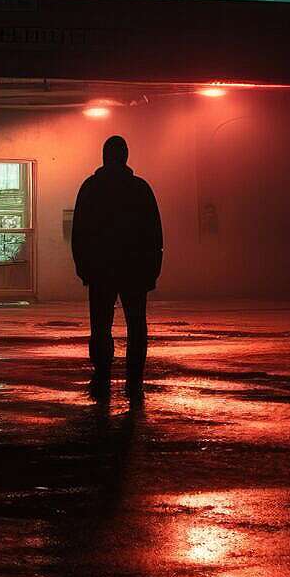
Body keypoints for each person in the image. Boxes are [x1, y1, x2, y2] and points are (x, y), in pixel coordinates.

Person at [71, 135, 162, 395]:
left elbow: (80, 232)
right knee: (136, 324)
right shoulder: (140, 189)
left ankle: (102, 373)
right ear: (126, 157)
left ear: (104, 157)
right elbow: (154, 233)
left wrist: (83, 267)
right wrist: (152, 269)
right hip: (134, 270)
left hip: (100, 269)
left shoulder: (91, 188)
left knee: (100, 324)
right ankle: (134, 377)